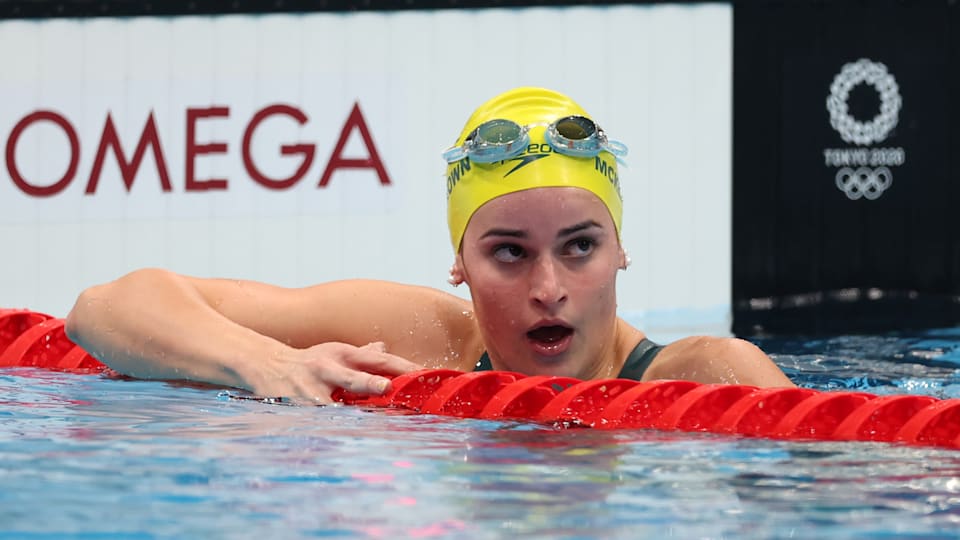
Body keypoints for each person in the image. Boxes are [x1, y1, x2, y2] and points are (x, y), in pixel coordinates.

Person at [65, 87, 793, 404]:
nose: (549, 287)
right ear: (458, 265)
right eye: (509, 253)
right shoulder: (418, 339)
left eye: (579, 248)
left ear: (622, 249)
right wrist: (267, 362)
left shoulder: (709, 371)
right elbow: (105, 308)